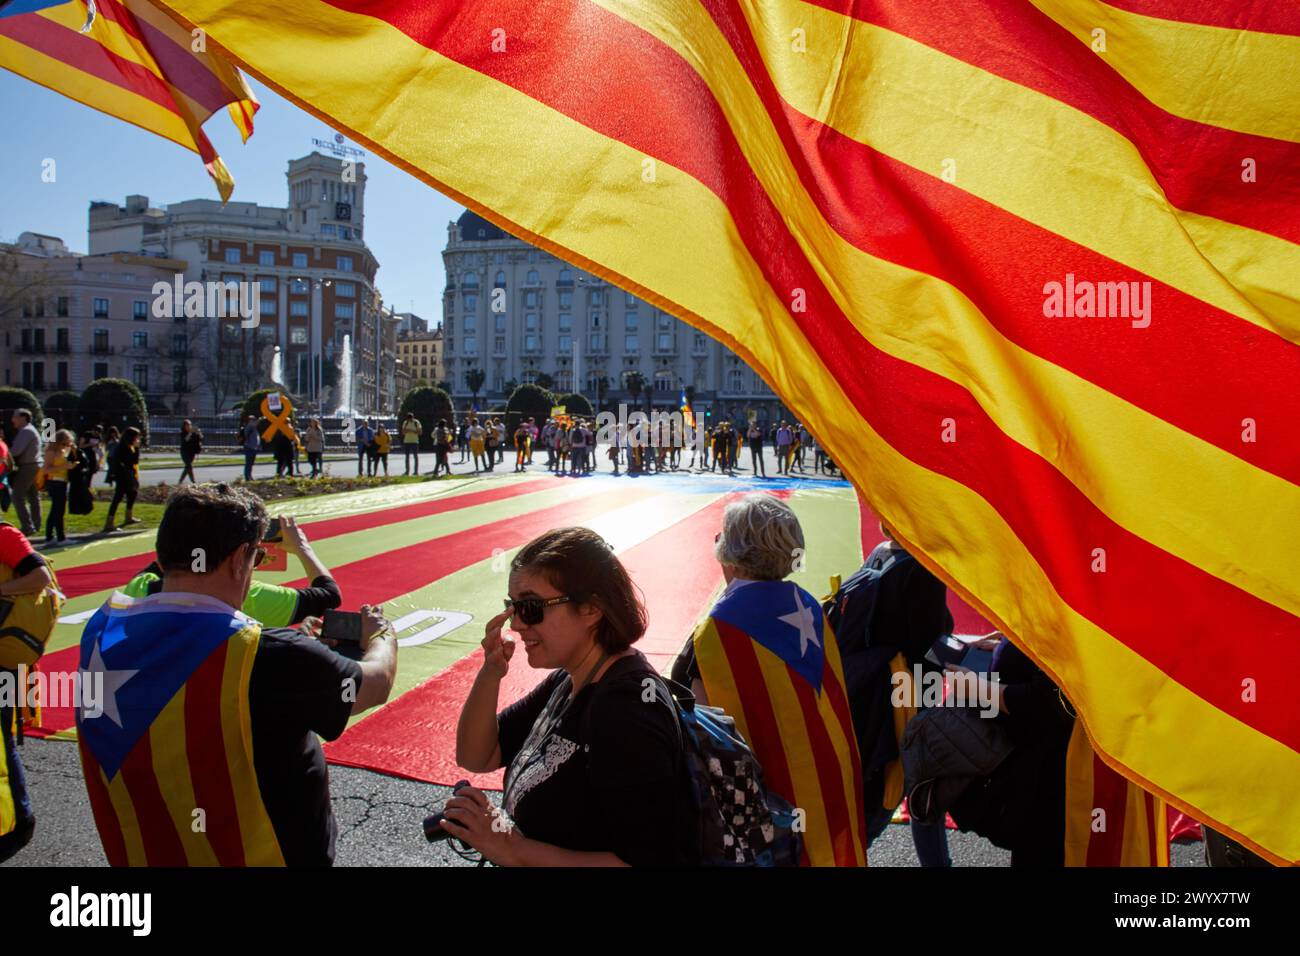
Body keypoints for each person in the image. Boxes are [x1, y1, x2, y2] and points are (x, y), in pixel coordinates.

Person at [75, 484, 398, 866]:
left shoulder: (102, 625)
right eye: (257, 556)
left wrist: (303, 655)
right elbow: (374, 685)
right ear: (239, 557)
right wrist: (382, 637)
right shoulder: (263, 654)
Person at [450, 527, 695, 865]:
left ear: (591, 609)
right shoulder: (569, 680)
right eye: (512, 606)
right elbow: (477, 756)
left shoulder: (628, 709)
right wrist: (491, 672)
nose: (517, 624)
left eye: (531, 607)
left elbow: (647, 861)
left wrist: (510, 848)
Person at [671, 493, 867, 866]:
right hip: (829, 779)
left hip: (762, 800)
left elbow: (701, 728)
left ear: (729, 549)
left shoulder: (717, 630)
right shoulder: (808, 604)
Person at [838, 521, 955, 865]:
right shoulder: (922, 568)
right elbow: (929, 644)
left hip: (865, 690)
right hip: (907, 698)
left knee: (878, 788)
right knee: (915, 788)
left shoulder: (878, 554)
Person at [124, 513, 342, 626]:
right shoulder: (247, 598)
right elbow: (328, 596)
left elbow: (166, 559)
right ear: (238, 558)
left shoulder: (140, 588)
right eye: (256, 556)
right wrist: (303, 548)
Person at [0, 519, 53, 863]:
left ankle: (21, 819)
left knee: (2, 740)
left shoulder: (3, 534)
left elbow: (40, 578)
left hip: (2, 654)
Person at [41, 429, 81, 545]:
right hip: (55, 482)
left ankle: (50, 537)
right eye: (67, 441)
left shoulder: (64, 450)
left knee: (55, 510)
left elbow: (75, 457)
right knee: (58, 510)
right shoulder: (51, 451)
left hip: (62, 482)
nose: (69, 443)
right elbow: (46, 469)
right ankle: (60, 537)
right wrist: (64, 467)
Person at [8, 409, 42, 537]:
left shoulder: (26, 431)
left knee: (17, 496)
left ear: (23, 417)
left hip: (28, 466)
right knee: (33, 497)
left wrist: (4, 451)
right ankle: (35, 525)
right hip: (33, 465)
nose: (12, 420)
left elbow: (15, 451)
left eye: (14, 417)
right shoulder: (29, 430)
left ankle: (27, 527)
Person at [102, 426, 142, 533]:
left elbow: (135, 462)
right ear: (131, 437)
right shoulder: (122, 447)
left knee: (132, 494)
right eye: (136, 437)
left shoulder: (130, 446)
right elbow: (128, 461)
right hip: (123, 476)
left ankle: (128, 516)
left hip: (129, 475)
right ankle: (109, 523)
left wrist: (137, 448)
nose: (138, 440)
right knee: (117, 498)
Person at [179, 419, 203, 484]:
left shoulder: (194, 433)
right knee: (189, 466)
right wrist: (190, 433)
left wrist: (199, 432)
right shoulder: (182, 433)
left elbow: (201, 438)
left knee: (187, 468)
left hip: (192, 452)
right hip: (184, 452)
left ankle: (180, 482)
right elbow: (185, 440)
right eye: (187, 425)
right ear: (184, 426)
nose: (189, 426)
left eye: (189, 425)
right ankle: (193, 482)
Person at [240, 415, 261, 482]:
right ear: (249, 420)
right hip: (249, 447)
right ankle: (247, 477)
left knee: (251, 463)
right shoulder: (250, 427)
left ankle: (249, 476)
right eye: (252, 420)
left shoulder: (253, 427)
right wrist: (260, 419)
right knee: (248, 463)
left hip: (253, 448)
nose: (254, 421)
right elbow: (254, 425)